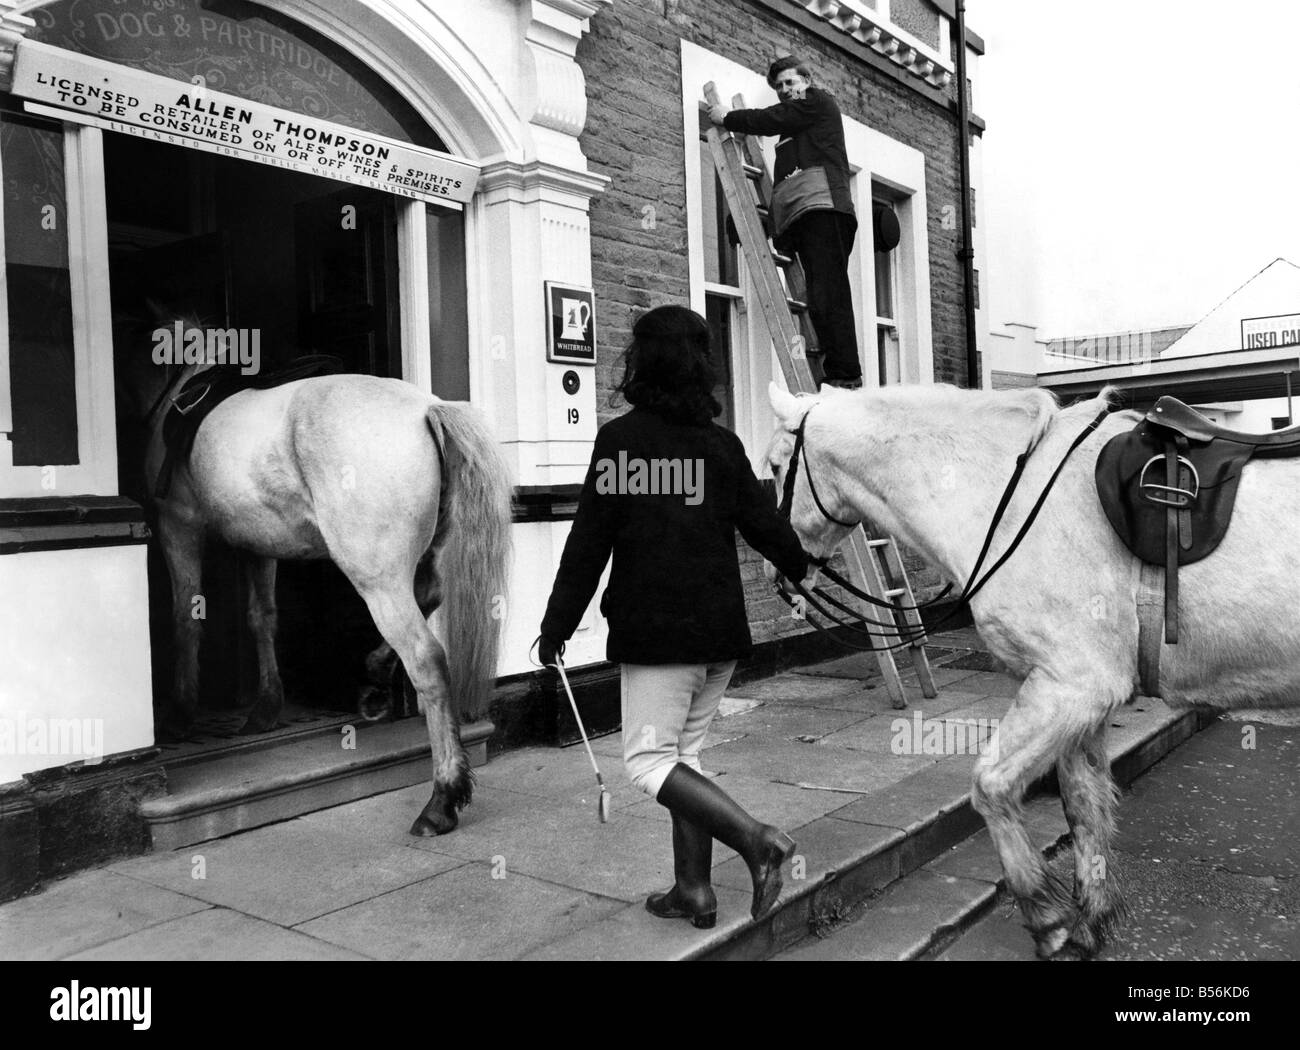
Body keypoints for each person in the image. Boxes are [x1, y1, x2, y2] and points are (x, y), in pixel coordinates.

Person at [535, 305, 809, 927]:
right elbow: (767, 527)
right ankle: (693, 891)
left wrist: (555, 628)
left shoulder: (622, 443)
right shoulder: (721, 445)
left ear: (644, 362)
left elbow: (587, 548)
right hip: (720, 641)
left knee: (648, 764)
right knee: (683, 758)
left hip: (661, 641)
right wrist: (802, 570)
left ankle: (758, 842)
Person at [710, 56, 862, 389]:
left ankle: (845, 373)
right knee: (819, 294)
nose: (785, 91)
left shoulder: (817, 101)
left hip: (826, 209)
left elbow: (772, 118)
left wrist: (728, 117)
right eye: (779, 87)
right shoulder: (792, 133)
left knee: (829, 291)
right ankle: (835, 368)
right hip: (809, 213)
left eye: (790, 82)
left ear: (807, 81)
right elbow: (785, 186)